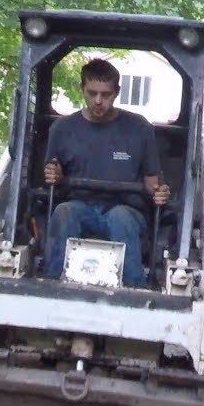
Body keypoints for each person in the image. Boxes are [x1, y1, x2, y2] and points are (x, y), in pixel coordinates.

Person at [41, 58, 170, 287]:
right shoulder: (62, 129)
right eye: (92, 93)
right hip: (79, 205)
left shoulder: (139, 128)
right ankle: (52, 284)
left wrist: (161, 192)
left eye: (106, 94)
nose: (98, 101)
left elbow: (153, 182)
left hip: (127, 210)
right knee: (64, 212)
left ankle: (133, 292)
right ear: (82, 89)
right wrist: (55, 176)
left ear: (117, 92)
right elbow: (53, 171)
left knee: (119, 218)